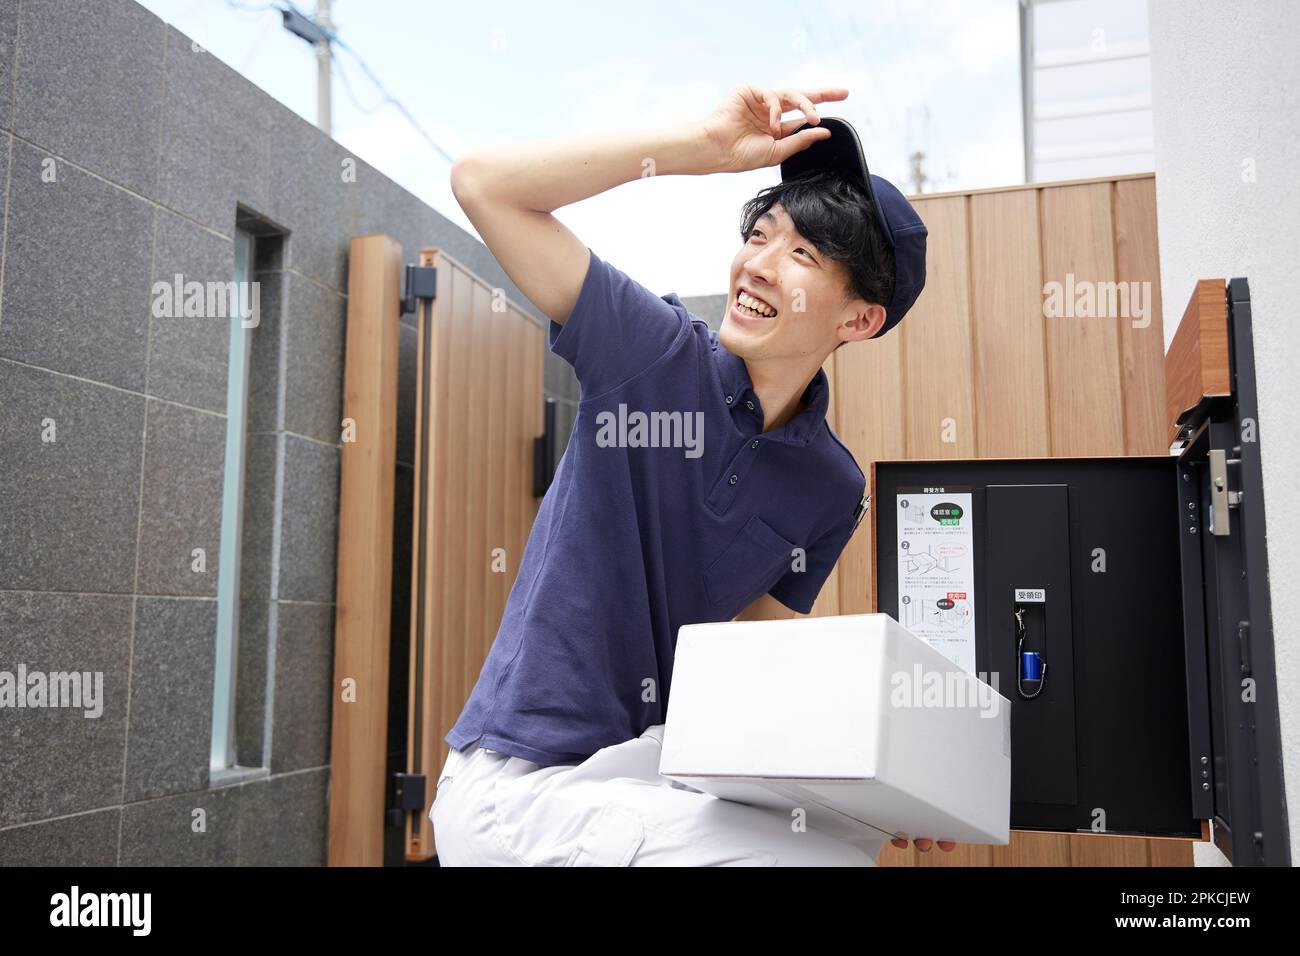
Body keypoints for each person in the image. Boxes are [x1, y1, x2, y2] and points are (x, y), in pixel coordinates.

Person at [430, 84, 950, 865]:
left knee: (848, 839)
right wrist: (700, 148)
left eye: (803, 254)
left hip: (649, 774)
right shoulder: (651, 353)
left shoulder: (832, 488)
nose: (761, 266)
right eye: (762, 234)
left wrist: (892, 780)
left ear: (858, 319)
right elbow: (481, 184)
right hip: (519, 784)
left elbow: (759, 646)